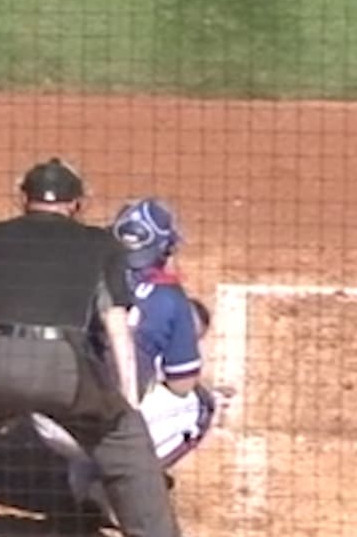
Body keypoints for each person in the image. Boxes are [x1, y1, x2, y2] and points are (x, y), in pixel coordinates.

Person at [0, 159, 183, 537]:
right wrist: (128, 407)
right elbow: (116, 329)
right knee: (126, 444)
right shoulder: (101, 244)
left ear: (22, 198)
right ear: (77, 204)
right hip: (67, 367)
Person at [30, 198, 219, 513]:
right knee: (201, 405)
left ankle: (84, 480)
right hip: (107, 425)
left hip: (47, 422)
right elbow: (182, 385)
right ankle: (118, 483)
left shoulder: (75, 274)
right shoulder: (170, 297)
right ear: (163, 249)